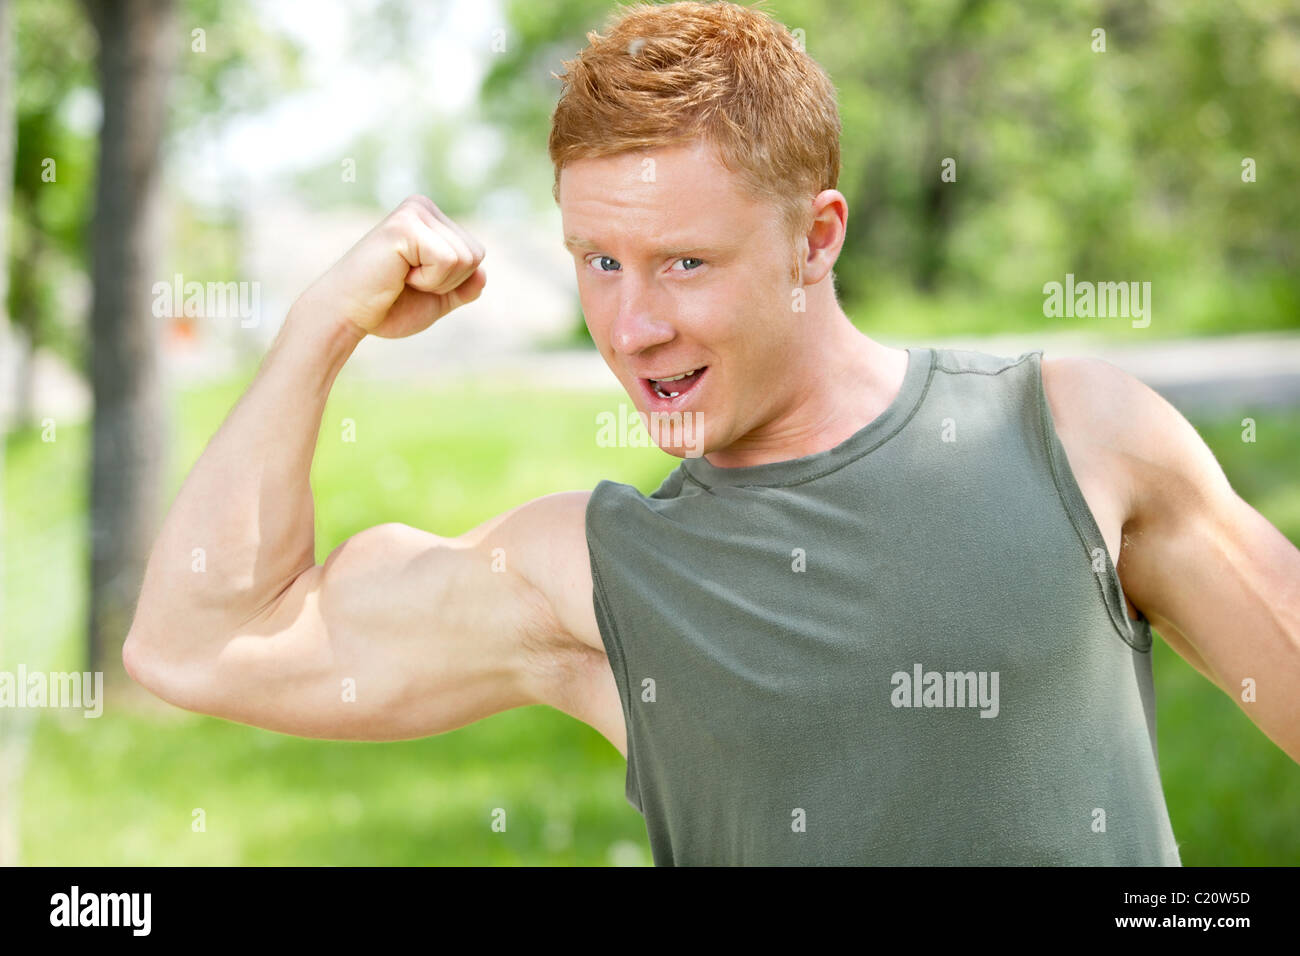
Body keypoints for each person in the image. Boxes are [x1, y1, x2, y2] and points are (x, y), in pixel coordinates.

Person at [123, 0, 1300, 865]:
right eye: (599, 262)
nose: (632, 326)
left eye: (685, 261)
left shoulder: (1075, 438)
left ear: (816, 236)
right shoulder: (586, 577)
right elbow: (199, 640)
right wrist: (321, 324)